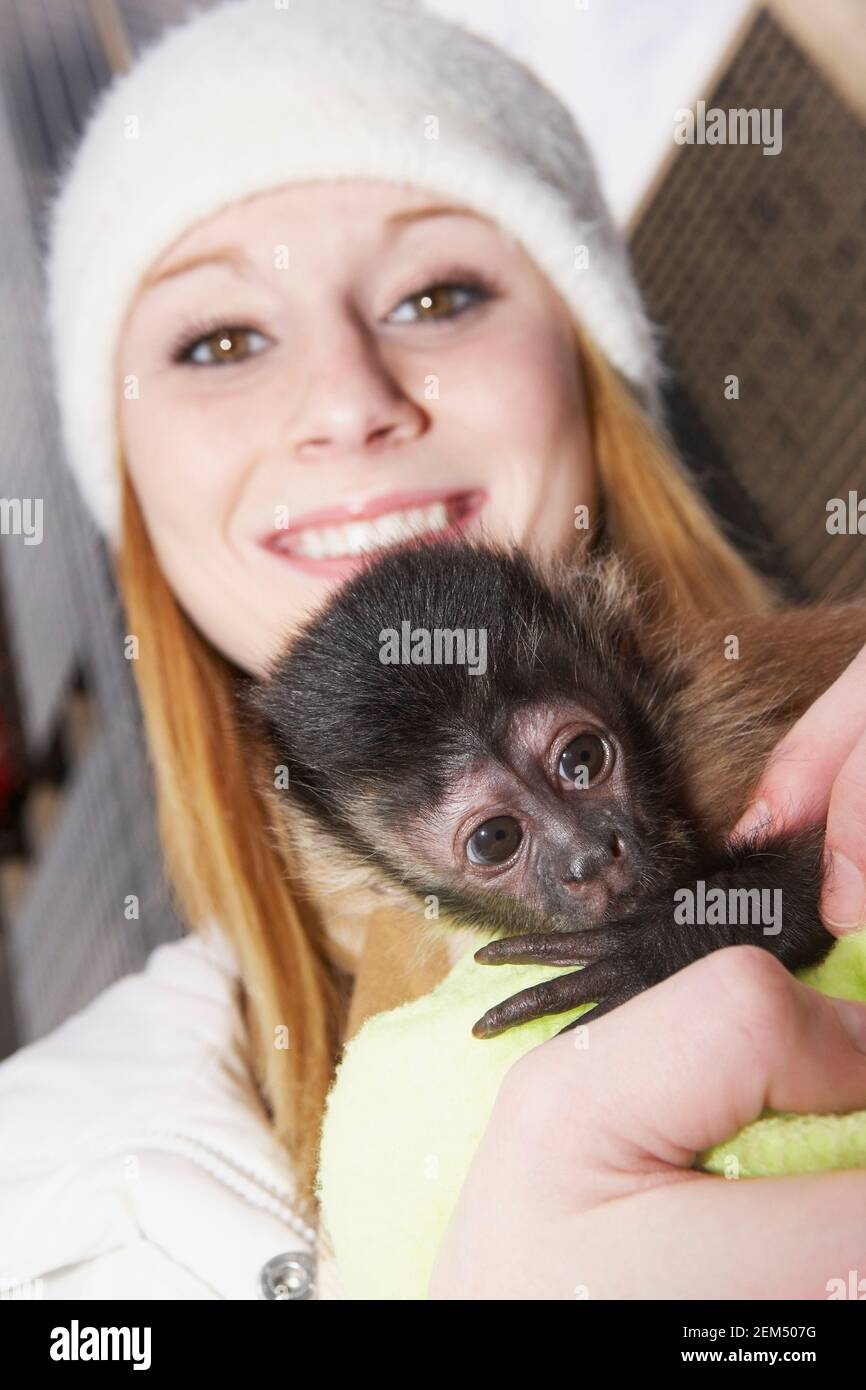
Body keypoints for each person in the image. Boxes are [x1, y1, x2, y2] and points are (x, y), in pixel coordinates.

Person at [1, 0, 864, 1301]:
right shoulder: (59, 1181)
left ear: (586, 362)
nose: (348, 402)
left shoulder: (800, 719)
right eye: (219, 338)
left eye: (436, 293)